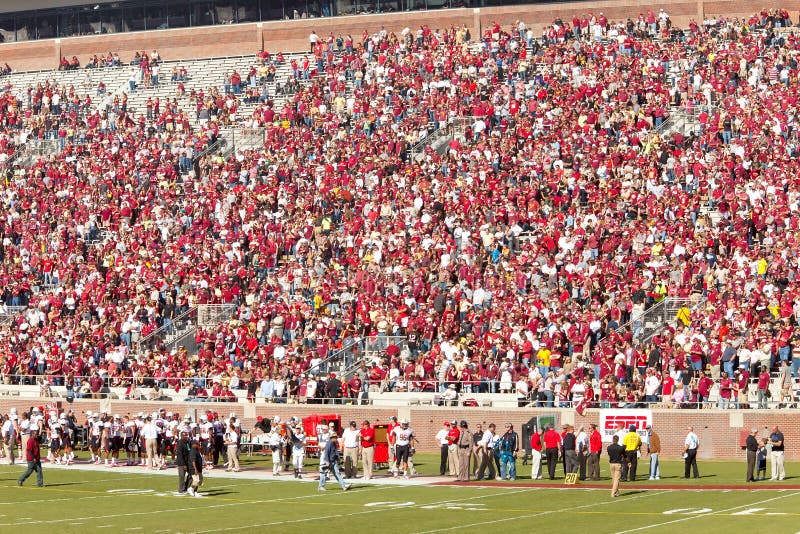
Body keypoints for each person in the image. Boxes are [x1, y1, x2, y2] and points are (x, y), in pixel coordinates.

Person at [175, 429, 191, 495]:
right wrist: (184, 464)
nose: (186, 436)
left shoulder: (187, 442)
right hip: (181, 463)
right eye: (184, 435)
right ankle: (181, 489)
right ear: (181, 436)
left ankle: (187, 487)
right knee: (182, 476)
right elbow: (180, 454)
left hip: (187, 461)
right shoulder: (180, 443)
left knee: (191, 475)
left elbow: (189, 451)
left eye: (186, 435)